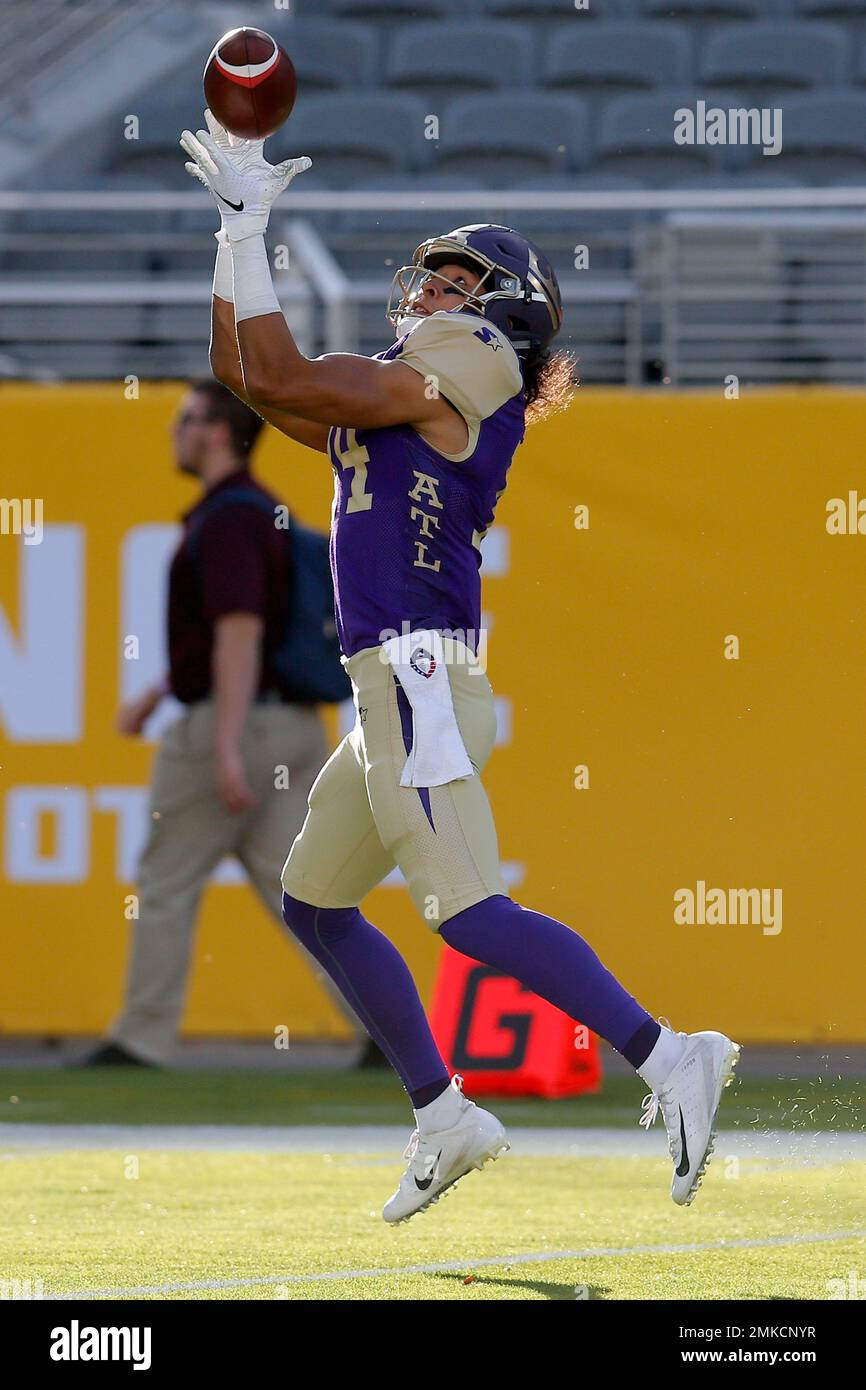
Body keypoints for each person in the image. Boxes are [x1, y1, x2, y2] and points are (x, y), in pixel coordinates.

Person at [181, 111, 740, 1221]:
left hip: (420, 679)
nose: (424, 297)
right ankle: (443, 1113)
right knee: (315, 904)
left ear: (500, 313)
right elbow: (249, 375)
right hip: (383, 691)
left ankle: (672, 1052)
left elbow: (281, 364)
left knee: (470, 911)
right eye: (426, 281)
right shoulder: (398, 399)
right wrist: (233, 237)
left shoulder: (464, 375)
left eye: (450, 283)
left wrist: (253, 223)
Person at [83, 379, 369, 1067]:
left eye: (185, 419)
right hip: (292, 724)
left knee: (166, 883)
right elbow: (245, 634)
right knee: (304, 895)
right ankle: (388, 1033)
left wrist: (225, 748)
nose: (174, 431)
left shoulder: (229, 519)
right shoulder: (261, 513)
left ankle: (142, 1037)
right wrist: (160, 691)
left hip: (235, 726)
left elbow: (238, 633)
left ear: (214, 432)